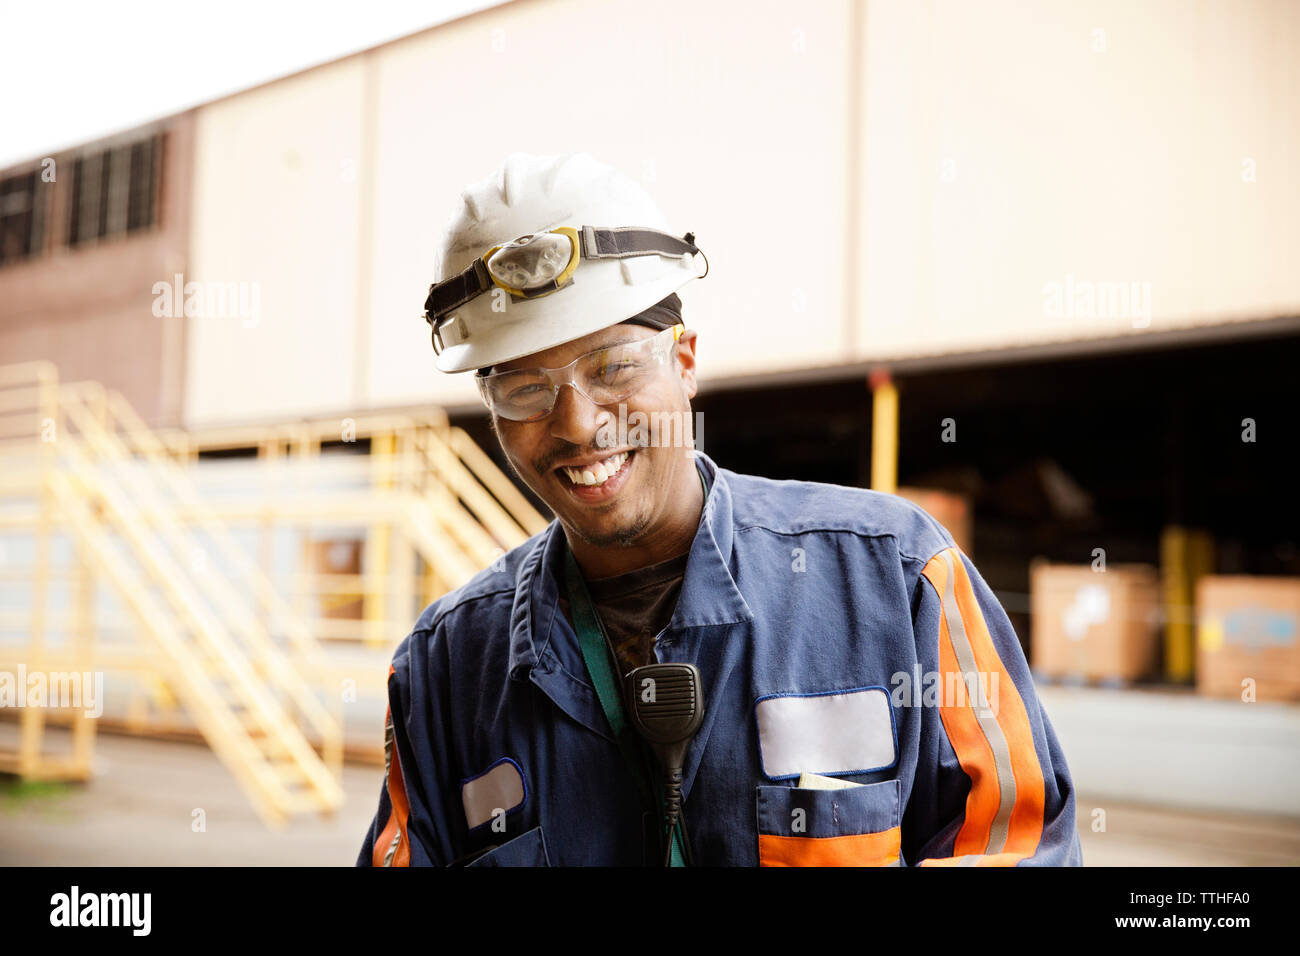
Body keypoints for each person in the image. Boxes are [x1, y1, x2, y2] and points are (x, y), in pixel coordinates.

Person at [357, 152, 1083, 866]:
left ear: (686, 362)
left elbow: (1021, 847)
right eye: (523, 388)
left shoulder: (896, 580)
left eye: (614, 366)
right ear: (491, 411)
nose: (579, 424)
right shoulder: (444, 671)